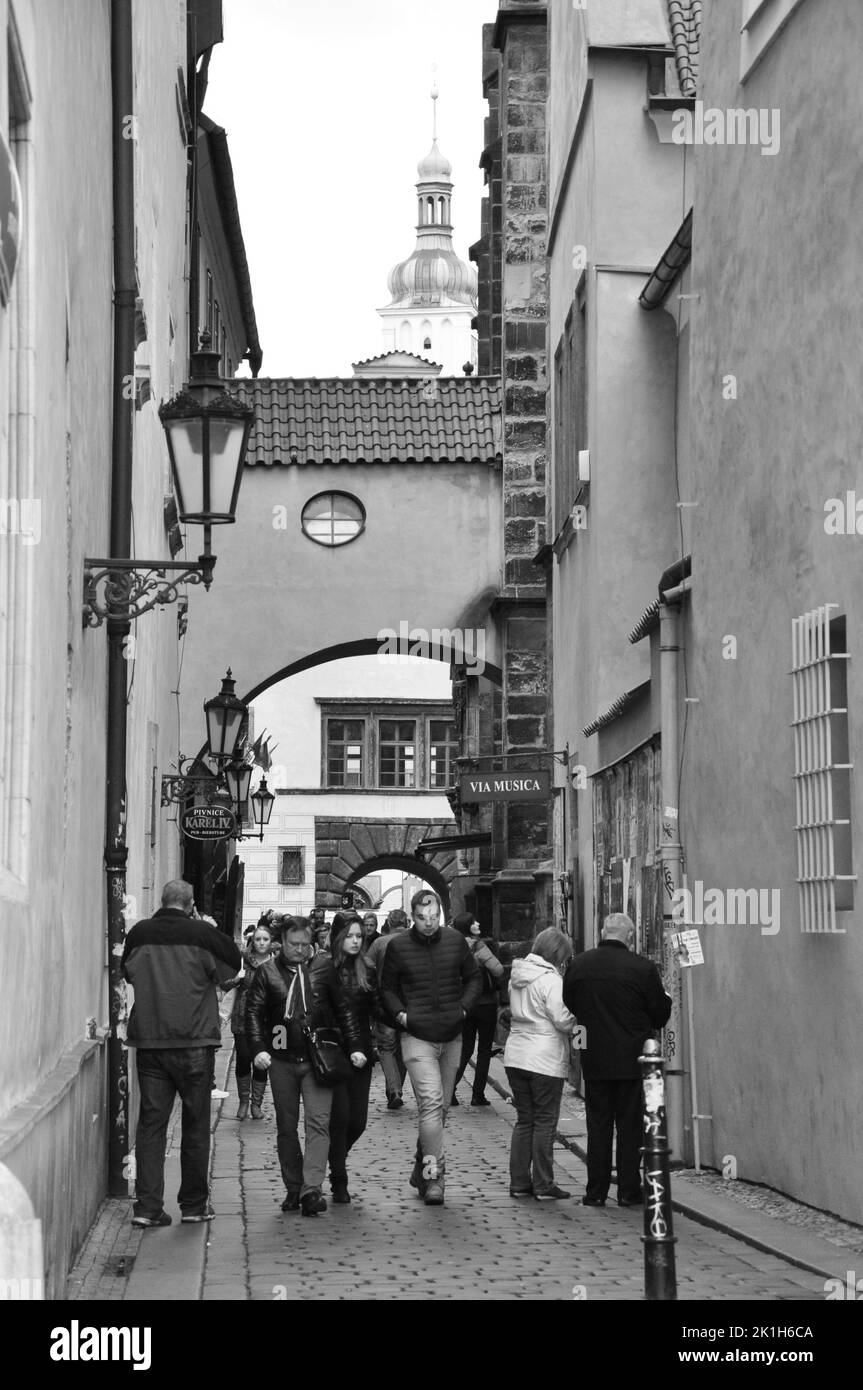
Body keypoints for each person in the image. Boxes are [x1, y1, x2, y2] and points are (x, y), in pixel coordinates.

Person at [121, 878, 241, 1227]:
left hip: (151, 1040)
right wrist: (207, 927)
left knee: (151, 1124)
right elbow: (231, 967)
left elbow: (127, 973)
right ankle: (193, 1205)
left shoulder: (139, 934)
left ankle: (147, 1208)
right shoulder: (202, 935)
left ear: (162, 900)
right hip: (194, 1041)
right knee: (196, 1125)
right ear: (191, 905)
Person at [246, 916, 366, 1217]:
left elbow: (343, 1009)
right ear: (282, 943)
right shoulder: (267, 972)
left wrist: (355, 1046)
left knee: (318, 1123)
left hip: (317, 1059)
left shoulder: (323, 968)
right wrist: (258, 1049)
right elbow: (254, 1013)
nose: (299, 950)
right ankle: (293, 1186)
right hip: (281, 1060)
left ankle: (312, 1190)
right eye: (293, 944)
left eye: (304, 944)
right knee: (286, 1127)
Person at [562, 912, 672, 1208]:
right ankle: (628, 1190)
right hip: (631, 1059)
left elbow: (570, 1002)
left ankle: (596, 1191)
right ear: (630, 936)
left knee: (598, 1125)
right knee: (629, 1127)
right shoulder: (642, 968)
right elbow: (659, 1014)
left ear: (603, 932)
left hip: (595, 1057)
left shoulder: (579, 965)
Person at [381, 890, 481, 1206]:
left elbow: (474, 978)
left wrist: (464, 1009)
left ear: (441, 915)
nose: (429, 923)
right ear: (413, 916)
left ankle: (420, 1167)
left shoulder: (455, 941)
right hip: (416, 1035)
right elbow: (387, 988)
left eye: (434, 917)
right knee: (431, 1104)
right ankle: (434, 1178)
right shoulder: (398, 946)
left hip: (451, 1035)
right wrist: (401, 1015)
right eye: (423, 918)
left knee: (440, 1111)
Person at [503, 927, 579, 1201]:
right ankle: (543, 1183)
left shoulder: (517, 976)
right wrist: (577, 1015)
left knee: (525, 1120)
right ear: (557, 954)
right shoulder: (551, 980)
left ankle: (519, 1182)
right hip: (543, 1058)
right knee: (545, 1121)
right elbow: (562, 1020)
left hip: (516, 1055)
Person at [326, 919, 382, 1202]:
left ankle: (334, 1157)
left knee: (357, 1122)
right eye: (350, 936)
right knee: (340, 1118)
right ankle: (339, 1179)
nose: (356, 940)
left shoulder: (367, 969)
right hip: (334, 1052)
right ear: (339, 938)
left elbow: (377, 1006)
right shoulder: (325, 968)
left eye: (359, 936)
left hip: (361, 1052)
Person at [451, 913, 505, 1108]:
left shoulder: (452, 946)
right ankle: (477, 1094)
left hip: (465, 1004)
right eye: (474, 922)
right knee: (484, 1050)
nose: (478, 923)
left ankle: (450, 1089)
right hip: (485, 1003)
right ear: (469, 927)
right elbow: (498, 969)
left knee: (465, 1048)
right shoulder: (478, 946)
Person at [225, 924, 276, 1120]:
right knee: (243, 1059)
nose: (262, 943)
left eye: (265, 939)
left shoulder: (276, 963)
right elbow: (224, 983)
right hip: (243, 1018)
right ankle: (243, 1102)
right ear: (252, 942)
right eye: (258, 939)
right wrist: (237, 979)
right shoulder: (242, 961)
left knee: (262, 1061)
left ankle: (256, 1104)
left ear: (271, 942)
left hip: (266, 1020)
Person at [365, 907, 408, 1109]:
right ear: (406, 923)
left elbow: (367, 966)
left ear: (389, 923)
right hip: (409, 1003)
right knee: (403, 1050)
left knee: (386, 1049)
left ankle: (394, 1090)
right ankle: (397, 1088)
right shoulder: (413, 941)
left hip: (385, 1004)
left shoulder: (379, 943)